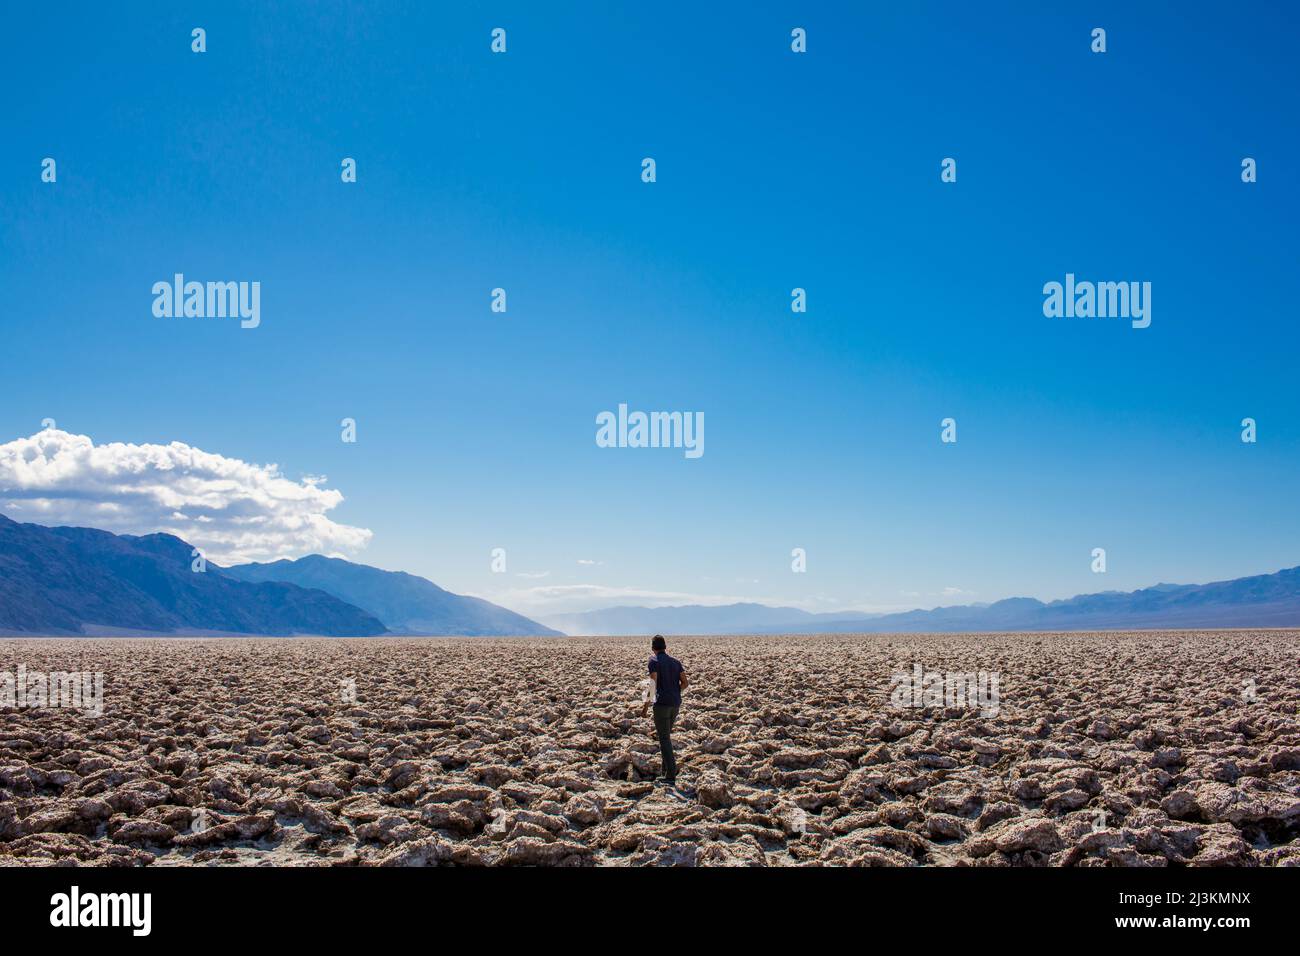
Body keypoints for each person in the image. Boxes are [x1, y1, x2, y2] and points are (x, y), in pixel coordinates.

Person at [641, 634, 688, 784]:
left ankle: (670, 775)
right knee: (666, 736)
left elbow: (652, 685)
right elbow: (685, 683)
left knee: (664, 739)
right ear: (665, 647)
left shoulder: (653, 661)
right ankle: (665, 771)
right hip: (675, 704)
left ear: (653, 648)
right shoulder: (675, 662)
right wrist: (674, 692)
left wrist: (645, 707)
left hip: (662, 705)